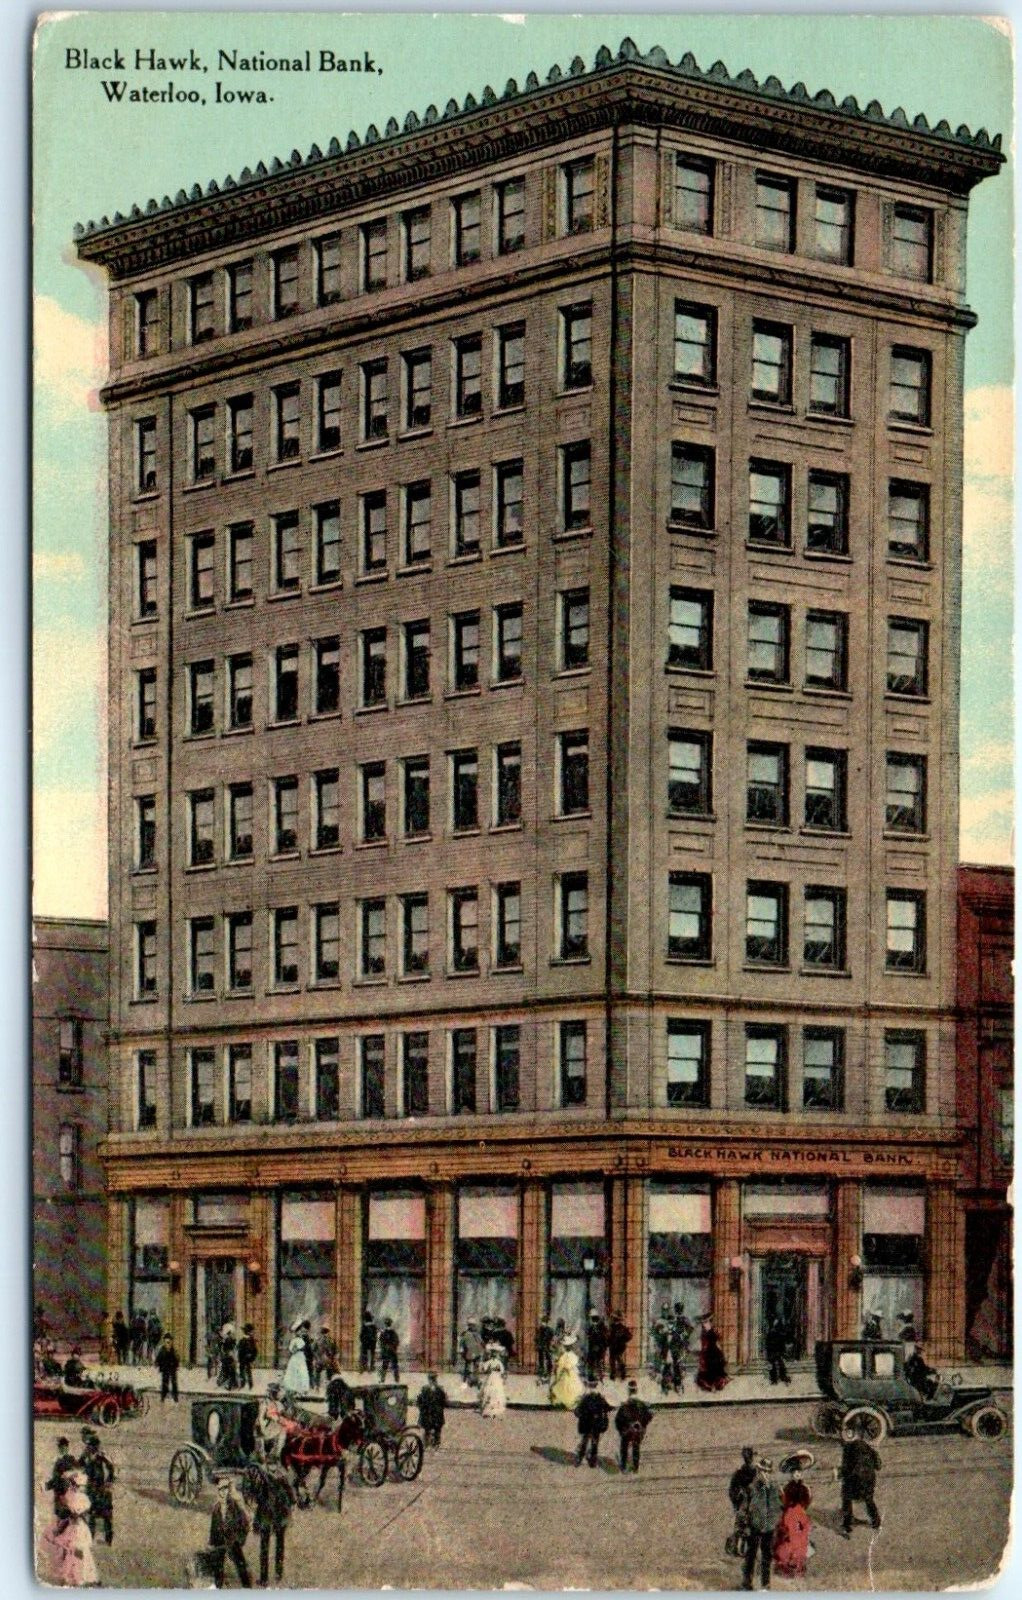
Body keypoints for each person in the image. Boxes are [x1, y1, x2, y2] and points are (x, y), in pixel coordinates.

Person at [38, 1469, 98, 1588]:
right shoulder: (72, 1497)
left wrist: (76, 1515)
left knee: (78, 1550)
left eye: (75, 1485)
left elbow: (80, 1512)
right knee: (71, 1550)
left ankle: (79, 1575)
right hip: (74, 1525)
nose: (74, 1487)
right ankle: (71, 1575)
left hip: (78, 1526)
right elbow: (70, 1512)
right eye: (74, 1484)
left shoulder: (79, 1498)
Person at [243, 1464, 295, 1588]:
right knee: (279, 1544)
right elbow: (291, 1496)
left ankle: (265, 1578)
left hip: (268, 1512)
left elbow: (253, 1494)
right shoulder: (281, 1473)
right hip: (279, 1512)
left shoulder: (259, 1473)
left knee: (265, 1546)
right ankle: (277, 1574)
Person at [741, 1457, 782, 1591]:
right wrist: (744, 1526)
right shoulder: (751, 1488)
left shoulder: (774, 1488)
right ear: (759, 1472)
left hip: (769, 1527)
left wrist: (775, 1522)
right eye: (763, 1471)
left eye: (768, 1472)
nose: (765, 1475)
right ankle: (747, 1583)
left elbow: (778, 1507)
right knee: (751, 1555)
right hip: (754, 1526)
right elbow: (744, 1508)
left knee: (766, 1556)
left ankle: (765, 1584)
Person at [773, 1454, 813, 1578]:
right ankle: (784, 1564)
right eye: (795, 1473)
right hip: (790, 1516)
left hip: (801, 1517)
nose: (797, 1475)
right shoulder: (788, 1488)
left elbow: (807, 1501)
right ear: (791, 1474)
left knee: (801, 1541)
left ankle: (798, 1565)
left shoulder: (804, 1488)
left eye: (799, 1473)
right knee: (787, 1540)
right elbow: (784, 1503)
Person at [208, 1477, 252, 1588]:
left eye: (225, 1489)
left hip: (233, 1540)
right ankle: (218, 1588)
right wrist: (212, 1543)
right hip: (220, 1542)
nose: (223, 1492)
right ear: (218, 1491)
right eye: (220, 1489)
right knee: (218, 1567)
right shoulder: (216, 1508)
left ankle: (248, 1588)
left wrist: (240, 1539)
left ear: (228, 1490)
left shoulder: (234, 1505)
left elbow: (245, 1524)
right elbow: (213, 1528)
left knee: (241, 1564)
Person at [839, 1436, 882, 1537]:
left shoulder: (847, 1449)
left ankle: (847, 1524)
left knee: (846, 1498)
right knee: (868, 1499)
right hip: (869, 1479)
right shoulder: (868, 1448)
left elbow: (846, 1469)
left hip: (855, 1479)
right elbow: (878, 1465)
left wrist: (840, 1474)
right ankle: (876, 1522)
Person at [79, 1428, 115, 1546]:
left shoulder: (100, 1455)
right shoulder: (88, 1454)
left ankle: (108, 1539)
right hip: (92, 1487)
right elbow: (80, 1464)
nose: (89, 1448)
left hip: (101, 1488)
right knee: (93, 1514)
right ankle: (91, 1537)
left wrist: (109, 1481)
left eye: (91, 1446)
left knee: (106, 1516)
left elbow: (111, 1467)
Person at [615, 1380, 653, 1472]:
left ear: (628, 1391)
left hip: (627, 1430)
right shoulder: (641, 1404)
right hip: (638, 1430)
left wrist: (621, 1430)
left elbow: (618, 1420)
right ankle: (635, 1467)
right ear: (636, 1390)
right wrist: (643, 1426)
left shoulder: (624, 1405)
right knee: (636, 1447)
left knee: (624, 1446)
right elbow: (649, 1416)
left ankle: (623, 1466)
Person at [574, 1376, 612, 1468]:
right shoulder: (600, 1397)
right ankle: (593, 1462)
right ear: (596, 1385)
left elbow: (577, 1411)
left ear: (588, 1385)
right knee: (595, 1443)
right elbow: (608, 1408)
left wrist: (581, 1415)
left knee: (584, 1441)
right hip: (596, 1424)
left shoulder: (584, 1398)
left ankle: (579, 1460)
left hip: (586, 1424)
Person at [549, 1332, 585, 1410]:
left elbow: (565, 1367)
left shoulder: (566, 1356)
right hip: (569, 1374)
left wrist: (559, 1375)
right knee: (568, 1388)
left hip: (566, 1374)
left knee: (565, 1387)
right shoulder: (571, 1355)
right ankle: (567, 1402)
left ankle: (566, 1402)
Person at [45, 1437, 78, 1513]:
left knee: (65, 1515)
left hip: (64, 1492)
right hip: (61, 1492)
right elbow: (57, 1477)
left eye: (62, 1447)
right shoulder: (61, 1460)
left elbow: (61, 1477)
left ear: (66, 1447)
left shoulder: (68, 1460)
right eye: (59, 1447)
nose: (60, 1449)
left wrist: (48, 1486)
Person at [696, 1317, 729, 1391]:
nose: (704, 1325)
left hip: (714, 1352)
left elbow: (718, 1340)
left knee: (716, 1366)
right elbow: (703, 1343)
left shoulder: (713, 1331)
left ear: (709, 1323)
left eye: (706, 1323)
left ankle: (718, 1382)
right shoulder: (704, 1332)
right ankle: (710, 1384)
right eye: (703, 1323)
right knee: (707, 1369)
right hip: (708, 1352)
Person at [416, 1372, 448, 1447]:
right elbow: (444, 1401)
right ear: (436, 1379)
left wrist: (421, 1409)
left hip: (426, 1414)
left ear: (429, 1379)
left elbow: (419, 1400)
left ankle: (425, 1443)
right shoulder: (440, 1389)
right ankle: (436, 1443)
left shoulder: (424, 1388)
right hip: (437, 1414)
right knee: (437, 1430)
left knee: (426, 1430)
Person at [479, 1344, 508, 1418]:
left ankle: (496, 1408)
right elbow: (484, 1369)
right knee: (489, 1390)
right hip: (491, 1377)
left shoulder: (499, 1362)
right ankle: (488, 1408)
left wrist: (499, 1372)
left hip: (496, 1378)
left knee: (497, 1390)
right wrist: (488, 1368)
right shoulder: (489, 1362)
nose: (494, 1355)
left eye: (495, 1353)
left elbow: (502, 1371)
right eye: (493, 1353)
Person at [282, 1331, 311, 1397]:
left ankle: (297, 1389)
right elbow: (294, 1350)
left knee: (297, 1372)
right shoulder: (298, 1341)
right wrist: (297, 1349)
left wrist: (295, 1349)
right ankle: (299, 1390)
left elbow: (292, 1350)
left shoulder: (296, 1341)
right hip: (298, 1357)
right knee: (299, 1372)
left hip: (297, 1357)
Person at [765, 1314, 790, 1386]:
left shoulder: (775, 1333)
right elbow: (768, 1344)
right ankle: (775, 1379)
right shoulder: (773, 1333)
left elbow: (781, 1342)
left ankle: (777, 1379)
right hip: (773, 1351)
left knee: (778, 1365)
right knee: (775, 1366)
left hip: (775, 1351)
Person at [607, 1311, 632, 1380]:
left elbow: (629, 1336)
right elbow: (608, 1337)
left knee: (618, 1360)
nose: (613, 1320)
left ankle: (622, 1374)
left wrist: (622, 1340)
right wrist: (608, 1343)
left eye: (615, 1318)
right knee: (613, 1361)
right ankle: (614, 1375)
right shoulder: (612, 1327)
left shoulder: (622, 1328)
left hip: (619, 1347)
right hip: (613, 1346)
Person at [156, 1332, 180, 1403]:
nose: (168, 1344)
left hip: (172, 1368)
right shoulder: (162, 1350)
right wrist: (158, 1364)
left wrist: (176, 1365)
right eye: (167, 1342)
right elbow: (158, 1359)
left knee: (174, 1383)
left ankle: (175, 1396)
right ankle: (163, 1396)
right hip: (165, 1368)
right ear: (164, 1342)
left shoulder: (173, 1351)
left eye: (169, 1342)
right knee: (164, 1382)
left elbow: (176, 1359)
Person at [586, 1311, 608, 1382]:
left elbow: (604, 1338)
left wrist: (601, 1347)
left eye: (595, 1318)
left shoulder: (602, 1327)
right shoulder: (591, 1327)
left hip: (600, 1349)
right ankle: (591, 1376)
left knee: (599, 1363)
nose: (594, 1320)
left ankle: (601, 1377)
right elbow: (589, 1337)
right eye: (593, 1318)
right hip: (592, 1349)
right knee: (591, 1363)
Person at [459, 1319, 483, 1387]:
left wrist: (481, 1350)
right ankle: (465, 1381)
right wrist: (461, 1351)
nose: (472, 1326)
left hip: (476, 1352)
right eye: (471, 1325)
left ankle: (475, 1380)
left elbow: (480, 1343)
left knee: (476, 1367)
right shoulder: (465, 1334)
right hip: (469, 1352)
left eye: (473, 1325)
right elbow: (462, 1343)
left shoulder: (477, 1334)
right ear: (469, 1325)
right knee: (467, 1367)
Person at [379, 1317, 400, 1382]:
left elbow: (381, 1343)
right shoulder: (394, 1333)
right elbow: (397, 1342)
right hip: (392, 1351)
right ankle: (396, 1379)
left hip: (386, 1352)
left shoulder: (383, 1333)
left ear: (385, 1324)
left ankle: (382, 1379)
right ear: (391, 1324)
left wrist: (384, 1348)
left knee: (384, 1365)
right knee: (395, 1365)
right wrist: (393, 1347)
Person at [219, 1325, 240, 1390]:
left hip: (228, 1357)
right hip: (229, 1357)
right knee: (231, 1371)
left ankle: (230, 1385)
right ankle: (233, 1385)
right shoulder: (229, 1339)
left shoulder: (227, 1340)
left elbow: (225, 1349)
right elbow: (232, 1348)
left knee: (229, 1371)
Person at [237, 1324, 257, 1390]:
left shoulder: (250, 1340)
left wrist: (252, 1357)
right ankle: (245, 1384)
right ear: (248, 1332)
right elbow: (239, 1350)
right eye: (251, 1332)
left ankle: (249, 1385)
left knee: (246, 1372)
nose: (252, 1333)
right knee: (244, 1371)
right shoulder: (244, 1340)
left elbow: (254, 1350)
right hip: (244, 1359)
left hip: (246, 1359)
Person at [536, 1314, 554, 1380]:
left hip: (547, 1346)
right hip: (542, 1347)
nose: (543, 1323)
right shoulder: (540, 1329)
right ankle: (542, 1372)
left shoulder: (549, 1330)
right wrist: (538, 1344)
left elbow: (551, 1338)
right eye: (543, 1321)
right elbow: (537, 1338)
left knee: (548, 1360)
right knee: (542, 1360)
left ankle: (547, 1372)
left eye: (544, 1322)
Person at [359, 1309, 377, 1374]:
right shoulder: (373, 1326)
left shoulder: (364, 1325)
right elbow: (375, 1334)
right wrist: (374, 1341)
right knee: (372, 1355)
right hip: (372, 1342)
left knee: (364, 1355)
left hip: (365, 1342)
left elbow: (361, 1335)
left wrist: (362, 1340)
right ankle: (371, 1368)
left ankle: (363, 1368)